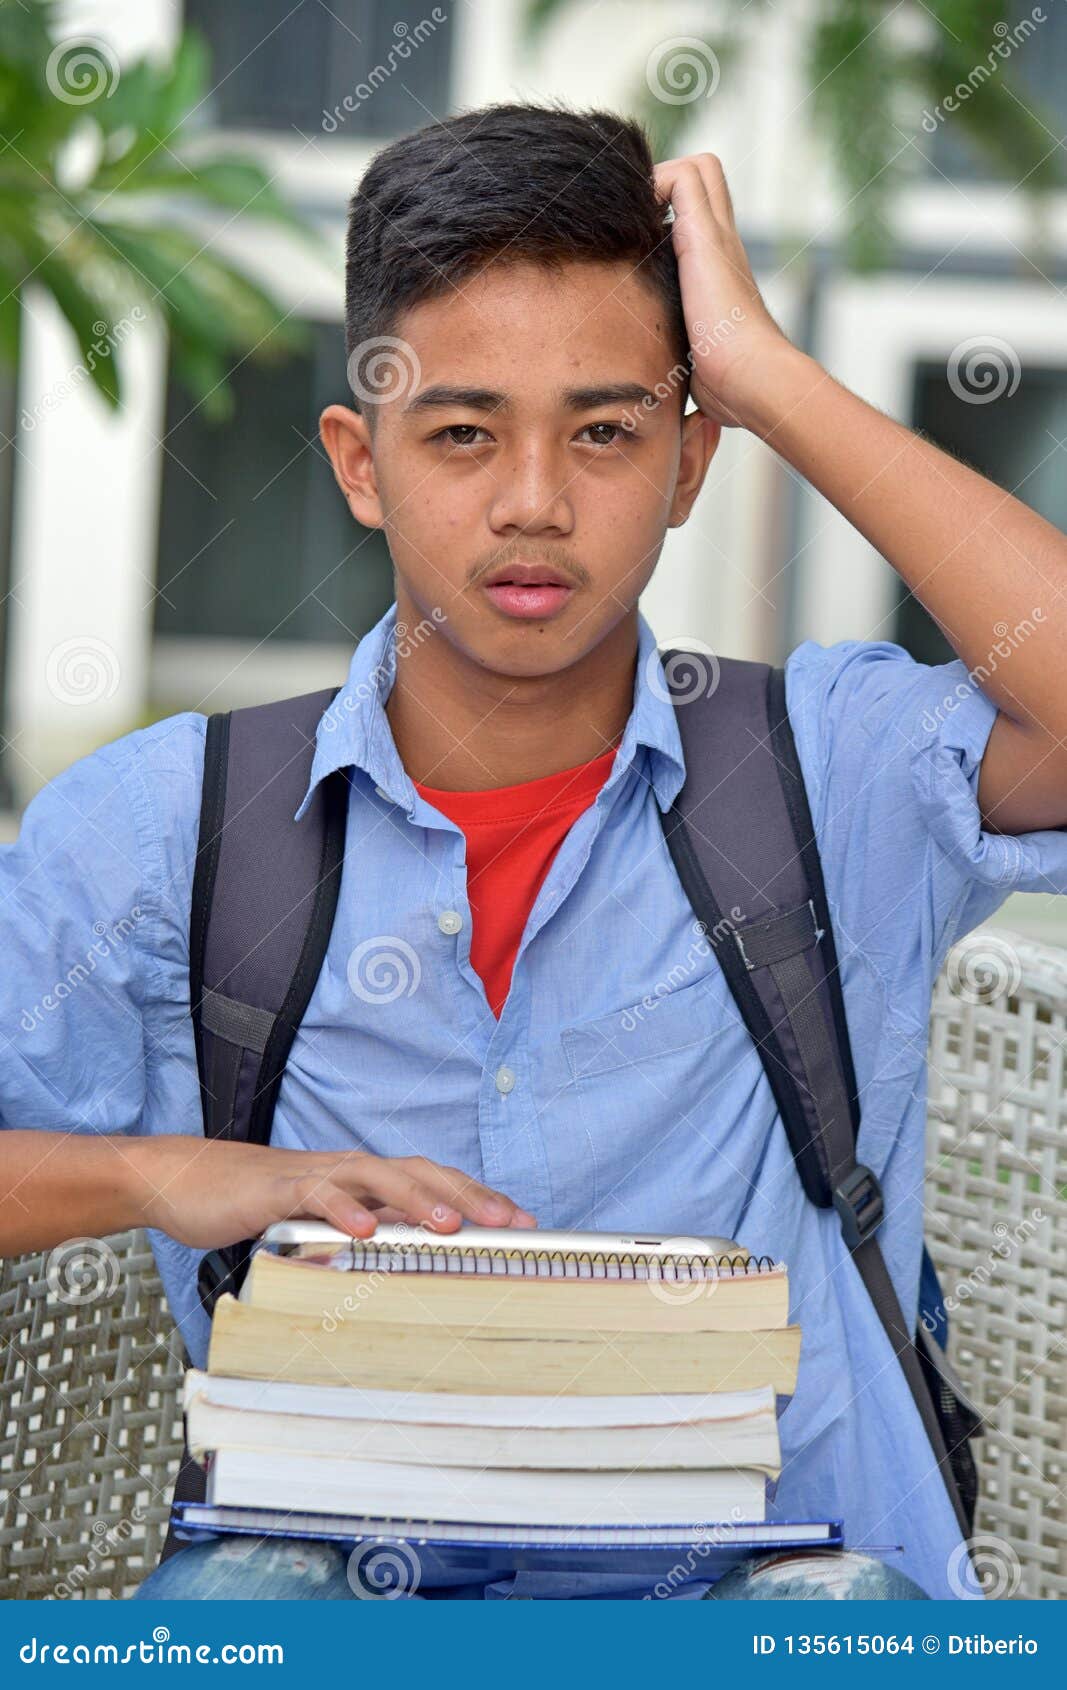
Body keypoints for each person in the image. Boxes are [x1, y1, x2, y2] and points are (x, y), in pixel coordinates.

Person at [3, 103, 1066, 1602]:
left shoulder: (835, 772)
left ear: (690, 464)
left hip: (780, 1601)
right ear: (360, 460)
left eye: (607, 432)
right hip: (327, 1600)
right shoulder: (167, 823)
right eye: (462, 433)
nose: (533, 503)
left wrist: (769, 376)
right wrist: (158, 1171)